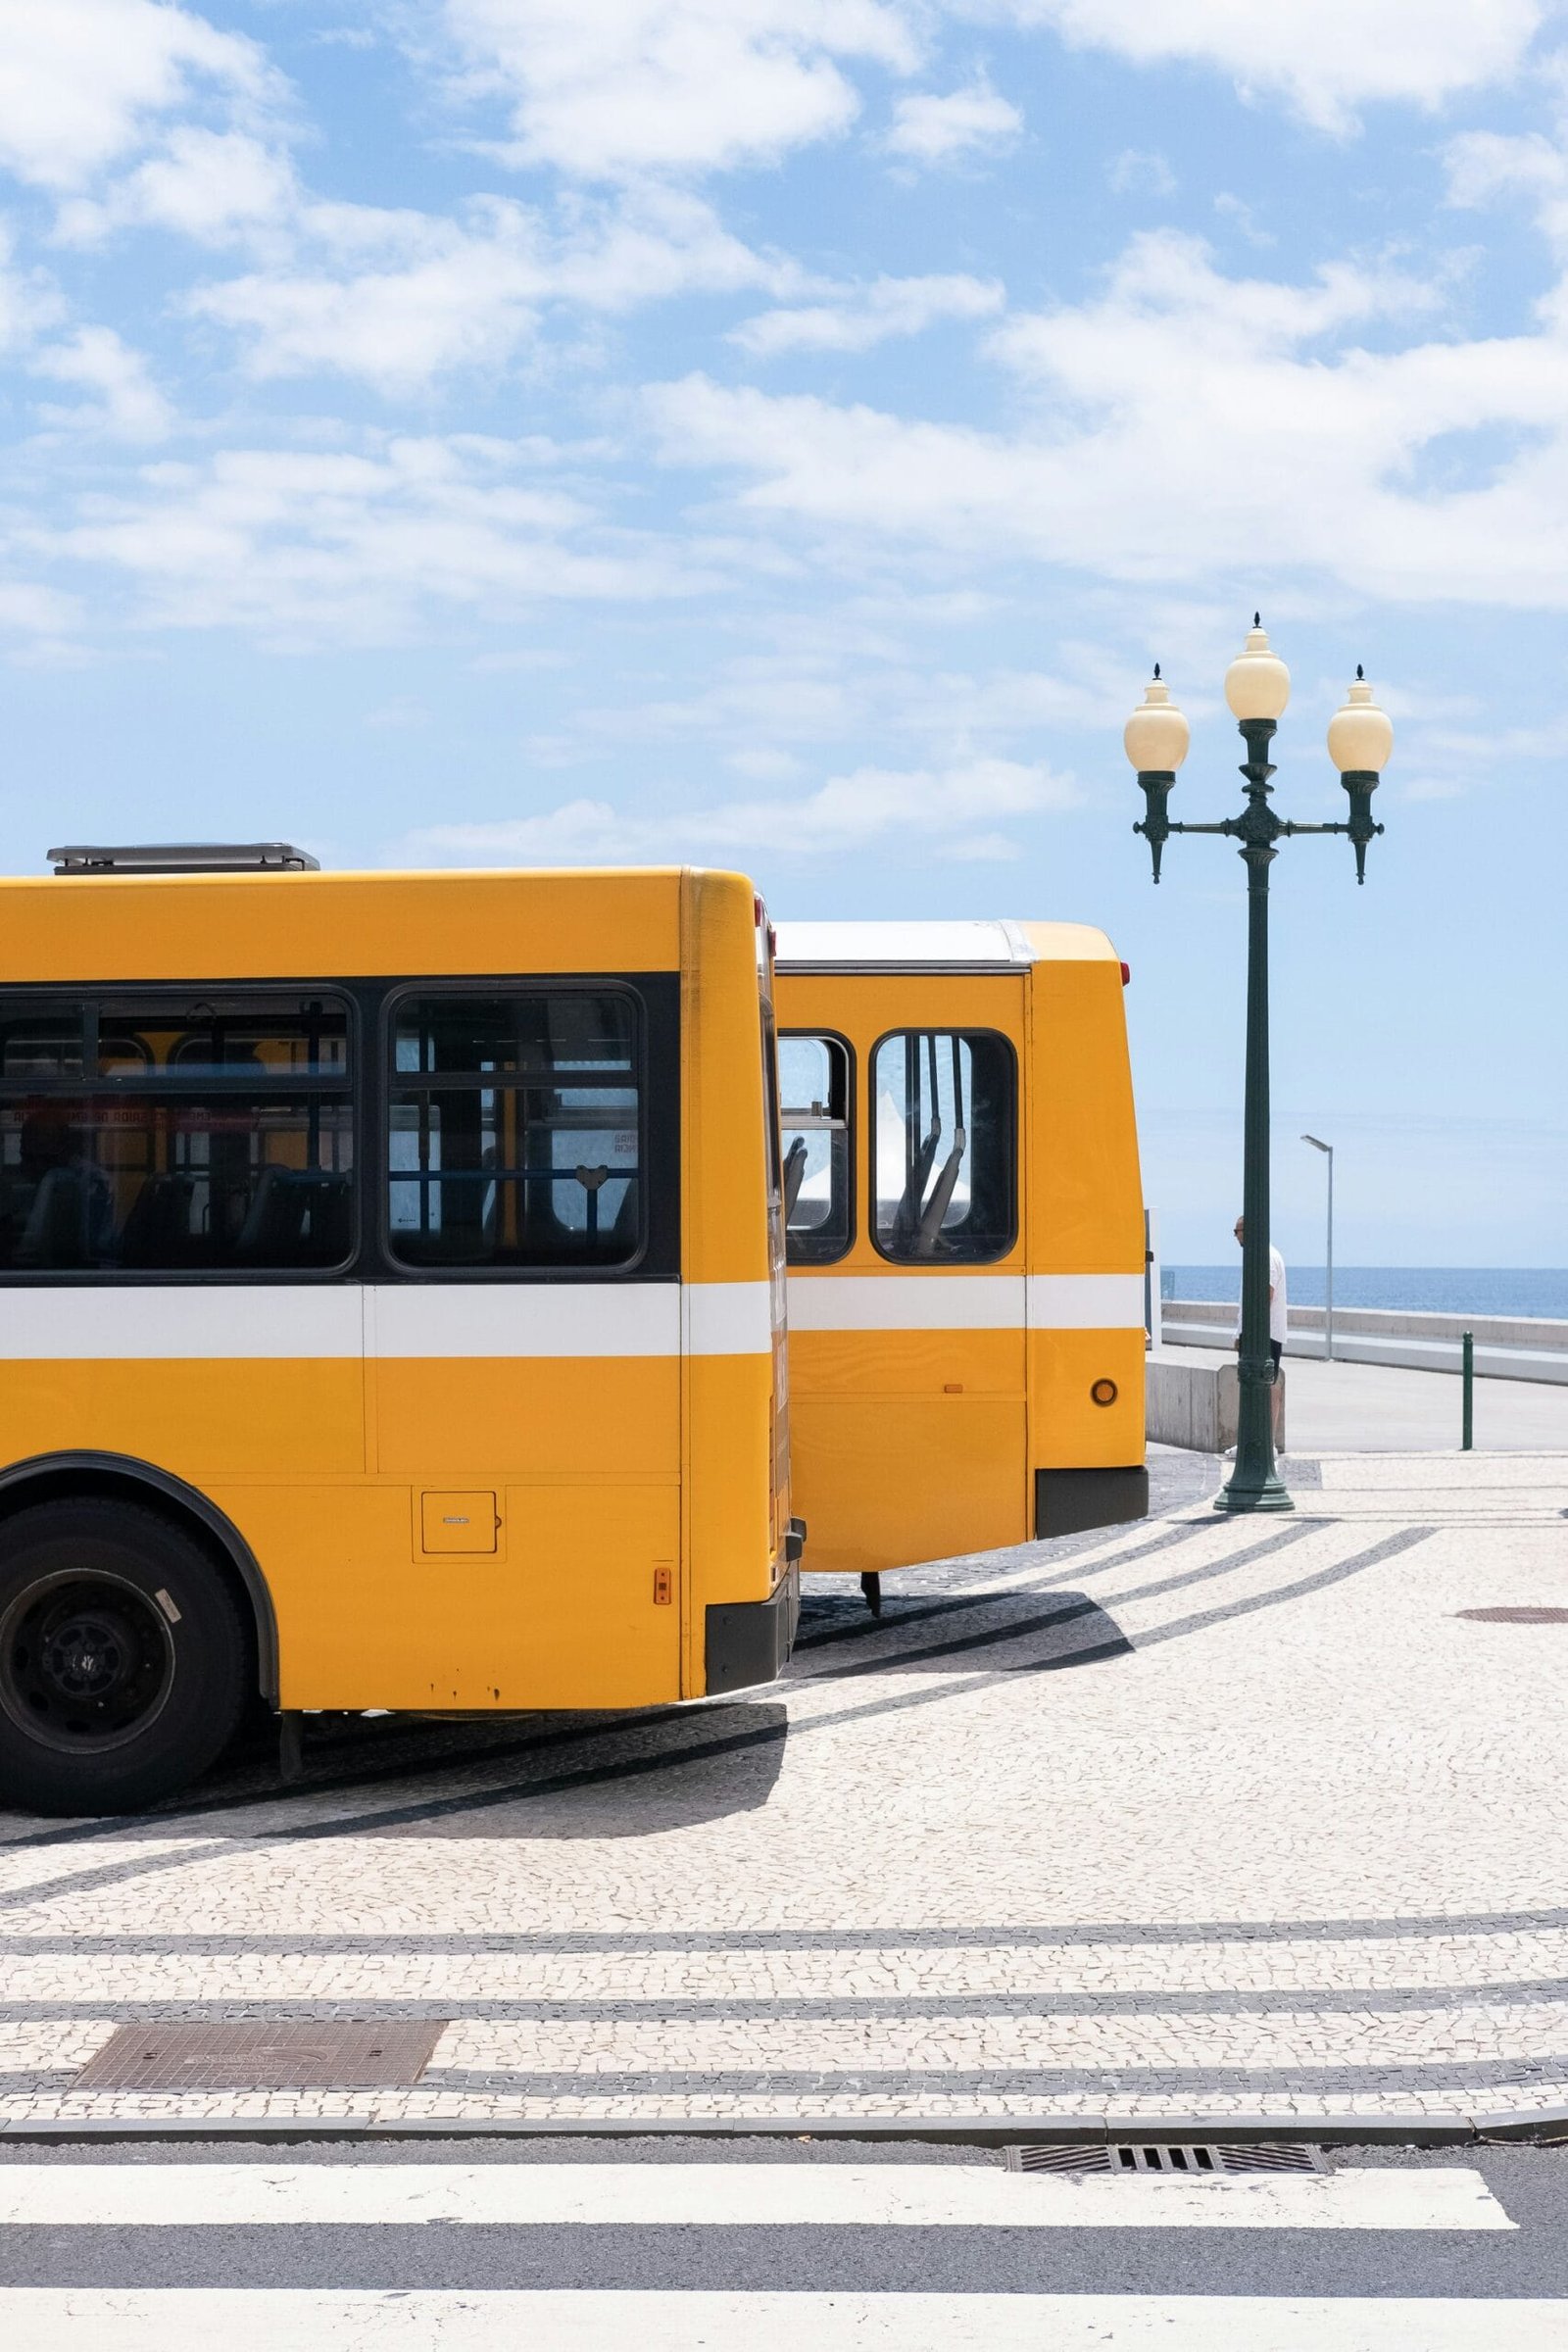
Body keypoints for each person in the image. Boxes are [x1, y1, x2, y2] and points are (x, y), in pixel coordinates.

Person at [1232, 1214, 1287, 1446]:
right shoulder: (1256, 1257)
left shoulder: (1267, 1256)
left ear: (1249, 1230)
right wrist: (1239, 1333)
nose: (1237, 1238)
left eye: (1238, 1232)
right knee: (1250, 1385)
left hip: (1266, 1333)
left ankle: (1267, 1444)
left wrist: (1250, 1331)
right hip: (1254, 1333)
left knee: (1268, 1385)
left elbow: (1266, 1294)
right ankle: (1249, 1441)